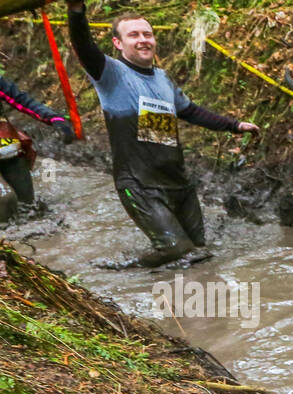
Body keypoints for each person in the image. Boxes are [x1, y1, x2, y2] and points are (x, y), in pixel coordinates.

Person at [65, 2, 259, 266]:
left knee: (200, 252)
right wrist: (76, 11)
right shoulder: (110, 74)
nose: (143, 40)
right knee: (174, 249)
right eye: (133, 35)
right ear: (118, 43)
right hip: (139, 184)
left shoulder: (163, 78)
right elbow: (83, 45)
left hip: (178, 182)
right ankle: (121, 269)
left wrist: (234, 125)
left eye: (147, 34)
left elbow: (190, 111)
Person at [0, 75, 75, 216]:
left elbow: (22, 100)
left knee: (28, 206)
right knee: (5, 201)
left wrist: (54, 118)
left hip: (7, 150)